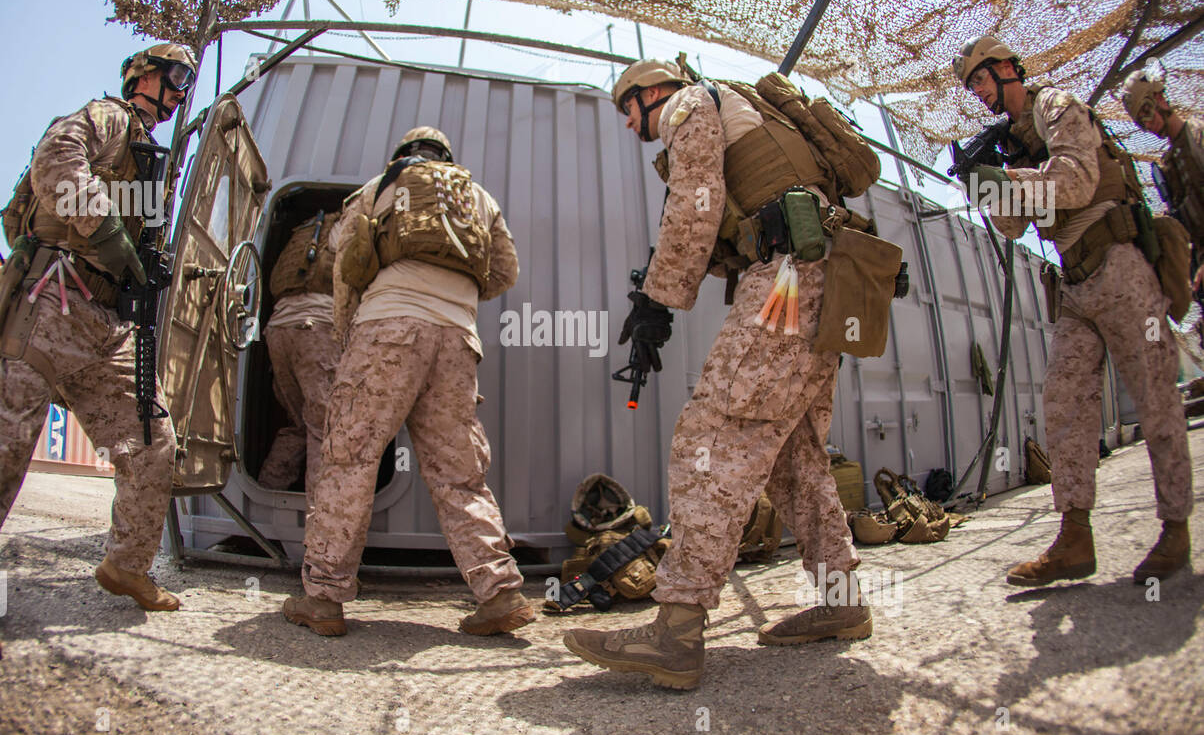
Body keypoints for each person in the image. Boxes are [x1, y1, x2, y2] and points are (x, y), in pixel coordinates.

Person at [563, 60, 870, 691]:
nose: (629, 123)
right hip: (828, 280)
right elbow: (727, 221)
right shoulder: (738, 108)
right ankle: (842, 601)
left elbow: (694, 205)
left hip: (788, 279)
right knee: (792, 457)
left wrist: (656, 301)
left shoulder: (689, 106)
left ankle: (675, 631)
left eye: (628, 107)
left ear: (653, 92)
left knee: (710, 437)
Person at [0, 43, 198, 658]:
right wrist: (109, 236)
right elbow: (55, 163)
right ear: (143, 76)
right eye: (175, 77)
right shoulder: (108, 118)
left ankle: (127, 564)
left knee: (152, 441)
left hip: (106, 324)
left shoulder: (149, 156)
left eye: (187, 81)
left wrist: (141, 260)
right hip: (53, 299)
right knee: (4, 443)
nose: (180, 92)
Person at [952, 36, 1191, 586]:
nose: (980, 92)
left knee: (1155, 396)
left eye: (983, 79)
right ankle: (1075, 539)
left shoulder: (1056, 106)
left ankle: (1175, 528)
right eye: (973, 86)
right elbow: (1014, 227)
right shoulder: (1012, 143)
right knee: (1063, 406)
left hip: (1119, 264)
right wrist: (984, 186)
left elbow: (1078, 181)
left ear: (1008, 67)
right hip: (1076, 283)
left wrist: (1006, 180)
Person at [283, 126, 535, 637]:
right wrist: (456, 294)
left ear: (403, 155)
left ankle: (324, 597)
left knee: (349, 457)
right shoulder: (478, 197)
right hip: (458, 341)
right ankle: (500, 592)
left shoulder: (380, 186)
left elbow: (343, 260)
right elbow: (506, 271)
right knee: (459, 472)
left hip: (388, 331)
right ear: (447, 158)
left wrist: (347, 332)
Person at [257, 210, 341, 507]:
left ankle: (266, 502)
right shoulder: (348, 226)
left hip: (279, 329)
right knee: (326, 428)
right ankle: (323, 526)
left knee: (299, 425)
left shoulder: (306, 229)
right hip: (316, 329)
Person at [1121, 68, 1204, 289]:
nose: (1147, 124)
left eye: (1147, 112)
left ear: (1159, 98)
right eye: (1140, 121)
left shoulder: (1198, 134)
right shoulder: (1169, 169)